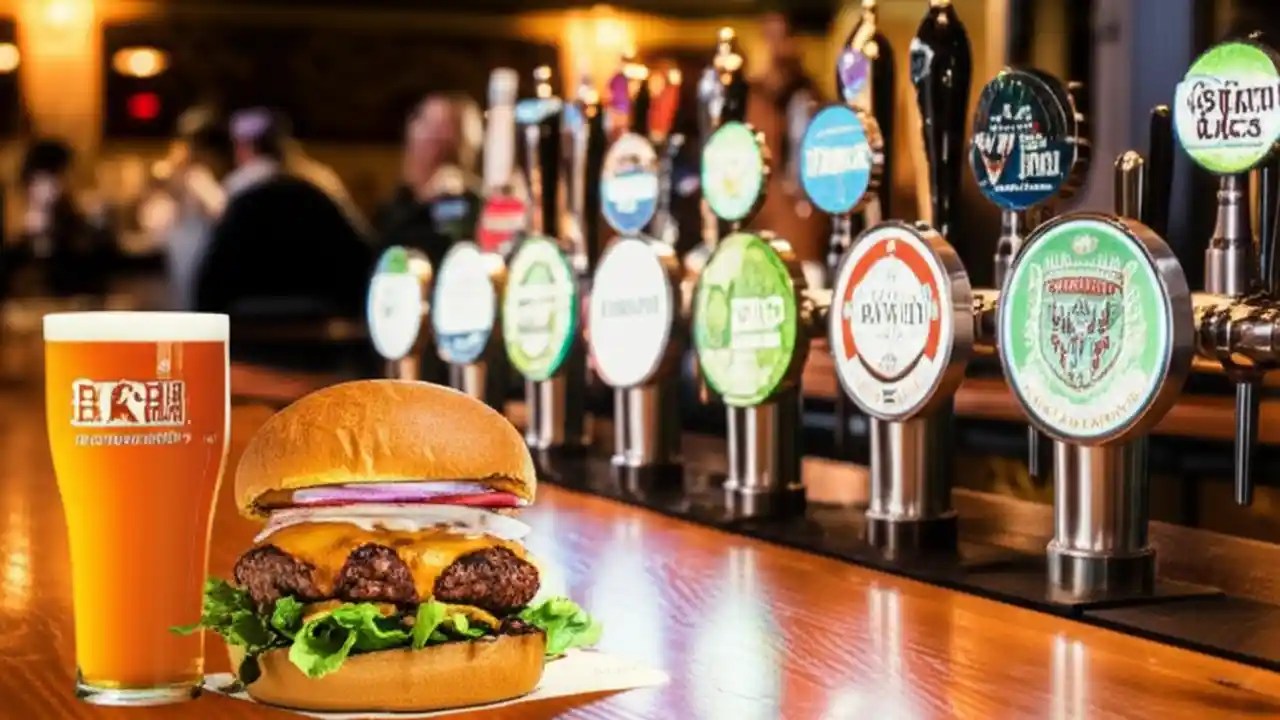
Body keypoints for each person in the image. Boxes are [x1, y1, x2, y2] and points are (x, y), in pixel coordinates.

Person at [747, 11, 829, 272]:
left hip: (799, 226)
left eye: (782, 36)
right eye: (769, 35)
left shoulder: (808, 96)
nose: (776, 45)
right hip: (761, 223)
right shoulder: (754, 97)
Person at [374, 93, 484, 270]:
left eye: (446, 143)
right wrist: (424, 203)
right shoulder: (393, 207)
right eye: (431, 136)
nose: (434, 151)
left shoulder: (473, 206)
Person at [157, 105, 233, 310]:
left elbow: (221, 210)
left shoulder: (200, 177)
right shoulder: (192, 176)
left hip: (201, 259)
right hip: (188, 256)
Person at [19, 139, 112, 298]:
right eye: (39, 181)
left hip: (73, 306)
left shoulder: (80, 221)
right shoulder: (21, 224)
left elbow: (95, 269)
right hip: (29, 308)